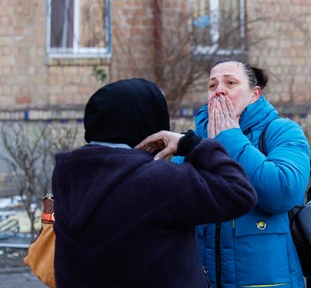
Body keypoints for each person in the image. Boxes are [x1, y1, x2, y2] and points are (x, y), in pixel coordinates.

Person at [52, 78, 257, 287]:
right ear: (149, 124)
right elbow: (239, 192)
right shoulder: (157, 181)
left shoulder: (68, 176)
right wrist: (189, 143)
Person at [174, 59, 311, 288]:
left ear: (254, 94)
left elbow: (284, 191)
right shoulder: (195, 140)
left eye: (230, 83)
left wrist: (230, 137)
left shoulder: (282, 131)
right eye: (212, 85)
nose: (219, 91)